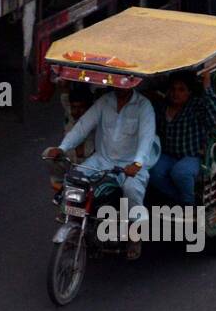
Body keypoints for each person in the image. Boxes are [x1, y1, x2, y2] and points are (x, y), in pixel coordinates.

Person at [44, 82, 159, 258]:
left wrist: (137, 163)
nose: (121, 86)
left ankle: (135, 236)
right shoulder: (105, 102)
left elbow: (147, 137)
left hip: (131, 165)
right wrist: (62, 147)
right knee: (74, 179)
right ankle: (74, 221)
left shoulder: (144, 106)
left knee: (131, 190)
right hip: (102, 160)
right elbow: (83, 126)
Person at [149, 72, 216, 206]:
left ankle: (189, 203)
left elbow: (215, 118)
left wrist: (207, 87)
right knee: (153, 172)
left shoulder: (195, 106)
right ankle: (177, 198)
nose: (176, 93)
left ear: (189, 92)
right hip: (168, 155)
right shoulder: (162, 106)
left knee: (180, 172)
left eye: (181, 90)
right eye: (173, 89)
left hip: (192, 156)